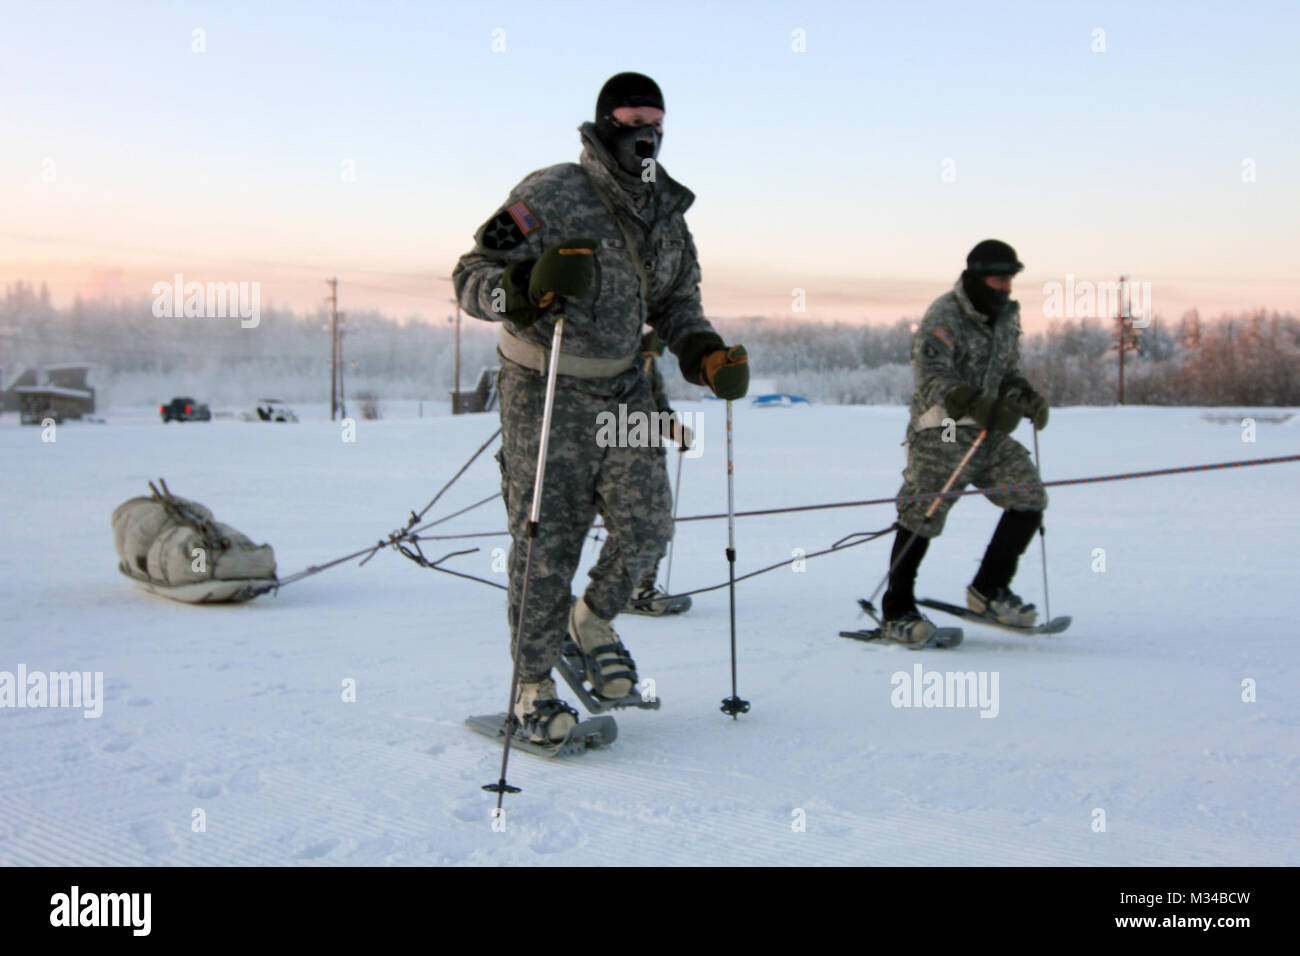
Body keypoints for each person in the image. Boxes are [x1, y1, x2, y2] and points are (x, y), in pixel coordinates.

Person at [453, 72, 749, 741]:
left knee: (649, 529)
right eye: (630, 117)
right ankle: (532, 688)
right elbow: (469, 279)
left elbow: (677, 303)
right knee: (545, 543)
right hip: (546, 386)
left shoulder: (667, 210)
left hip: (626, 387)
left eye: (656, 119)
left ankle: (592, 622)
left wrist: (703, 352)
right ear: (603, 122)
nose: (644, 130)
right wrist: (527, 284)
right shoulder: (549, 193)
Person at [879, 239, 1050, 645]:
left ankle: (988, 589)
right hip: (943, 428)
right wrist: (981, 405)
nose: (1006, 286)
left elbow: (1008, 370)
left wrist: (1023, 394)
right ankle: (897, 608)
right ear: (976, 277)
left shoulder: (1007, 316)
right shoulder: (946, 315)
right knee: (923, 513)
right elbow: (933, 377)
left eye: (1011, 278)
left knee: (1029, 499)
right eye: (998, 278)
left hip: (988, 433)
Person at [589, 329, 694, 617]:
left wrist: (671, 427)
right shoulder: (597, 352)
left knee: (655, 518)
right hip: (607, 451)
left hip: (644, 454)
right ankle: (615, 592)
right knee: (625, 521)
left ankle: (639, 588)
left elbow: (656, 404)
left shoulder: (647, 361)